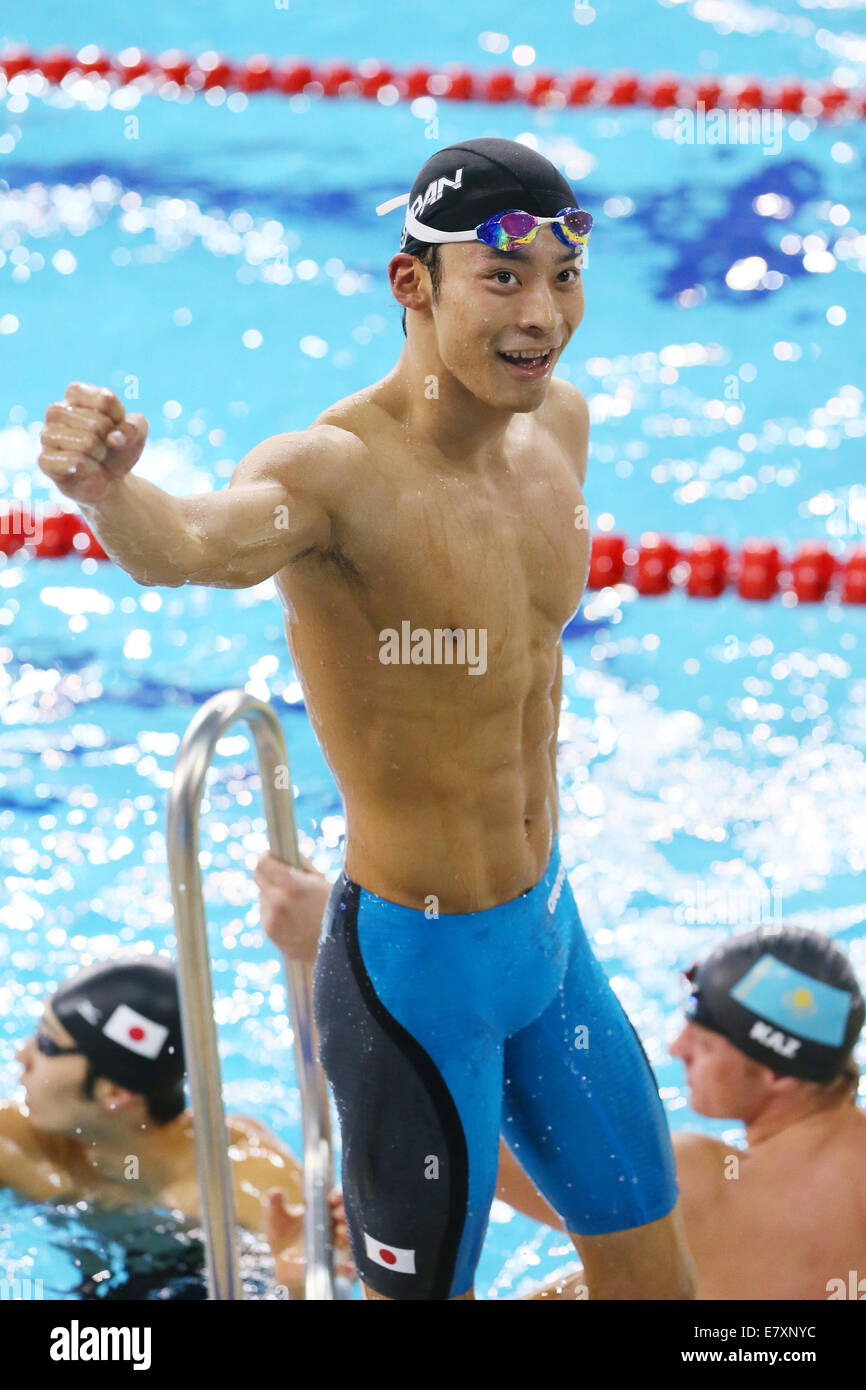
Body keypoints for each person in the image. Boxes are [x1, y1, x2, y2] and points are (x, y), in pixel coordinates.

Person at [37, 136, 694, 1302]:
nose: (541, 313)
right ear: (413, 285)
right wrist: (109, 491)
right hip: (416, 981)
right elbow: (187, 545)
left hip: (551, 937)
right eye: (502, 277)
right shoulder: (334, 474)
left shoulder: (561, 433)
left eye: (563, 274)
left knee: (654, 1278)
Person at [256, 854, 866, 1301]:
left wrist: (341, 958)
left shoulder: (699, 1190)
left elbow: (447, 1142)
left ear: (776, 1076)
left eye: (703, 1044)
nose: (676, 1047)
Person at [0, 954, 352, 1297]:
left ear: (115, 1091)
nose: (22, 1055)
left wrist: (299, 1287)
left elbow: (318, 1281)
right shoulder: (23, 1145)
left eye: (46, 1044)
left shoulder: (248, 1182)